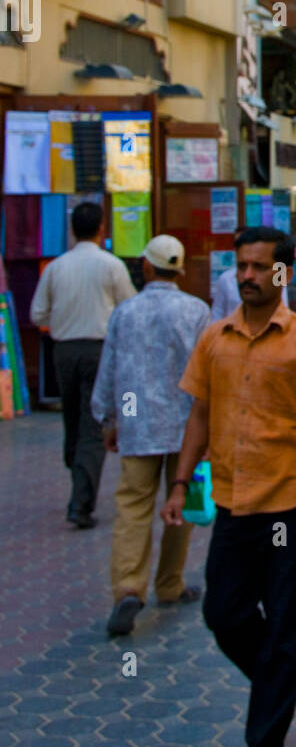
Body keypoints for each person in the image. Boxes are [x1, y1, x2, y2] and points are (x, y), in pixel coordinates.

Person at [161, 227, 296, 747]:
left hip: (290, 507)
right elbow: (198, 415)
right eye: (240, 266)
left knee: (286, 629)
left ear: (281, 273)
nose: (247, 276)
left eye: (258, 267)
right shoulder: (214, 338)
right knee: (223, 613)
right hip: (232, 503)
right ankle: (283, 675)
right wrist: (178, 484)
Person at [90, 236, 210, 638]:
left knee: (133, 505)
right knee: (186, 504)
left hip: (136, 420)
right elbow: (208, 373)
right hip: (186, 424)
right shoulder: (197, 311)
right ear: (179, 270)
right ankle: (170, 584)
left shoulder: (126, 312)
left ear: (145, 267)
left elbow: (110, 369)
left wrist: (110, 419)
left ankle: (128, 586)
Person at [30, 201, 136, 528]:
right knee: (93, 424)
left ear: (72, 229)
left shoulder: (56, 267)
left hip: (63, 350)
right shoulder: (111, 265)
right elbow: (129, 307)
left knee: (73, 417)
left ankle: (78, 476)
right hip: (99, 349)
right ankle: (81, 500)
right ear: (102, 227)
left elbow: (37, 314)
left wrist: (61, 322)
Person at [211, 229, 289, 323]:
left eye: (259, 267)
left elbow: (283, 305)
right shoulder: (225, 278)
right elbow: (217, 311)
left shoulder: (275, 276)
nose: (247, 276)